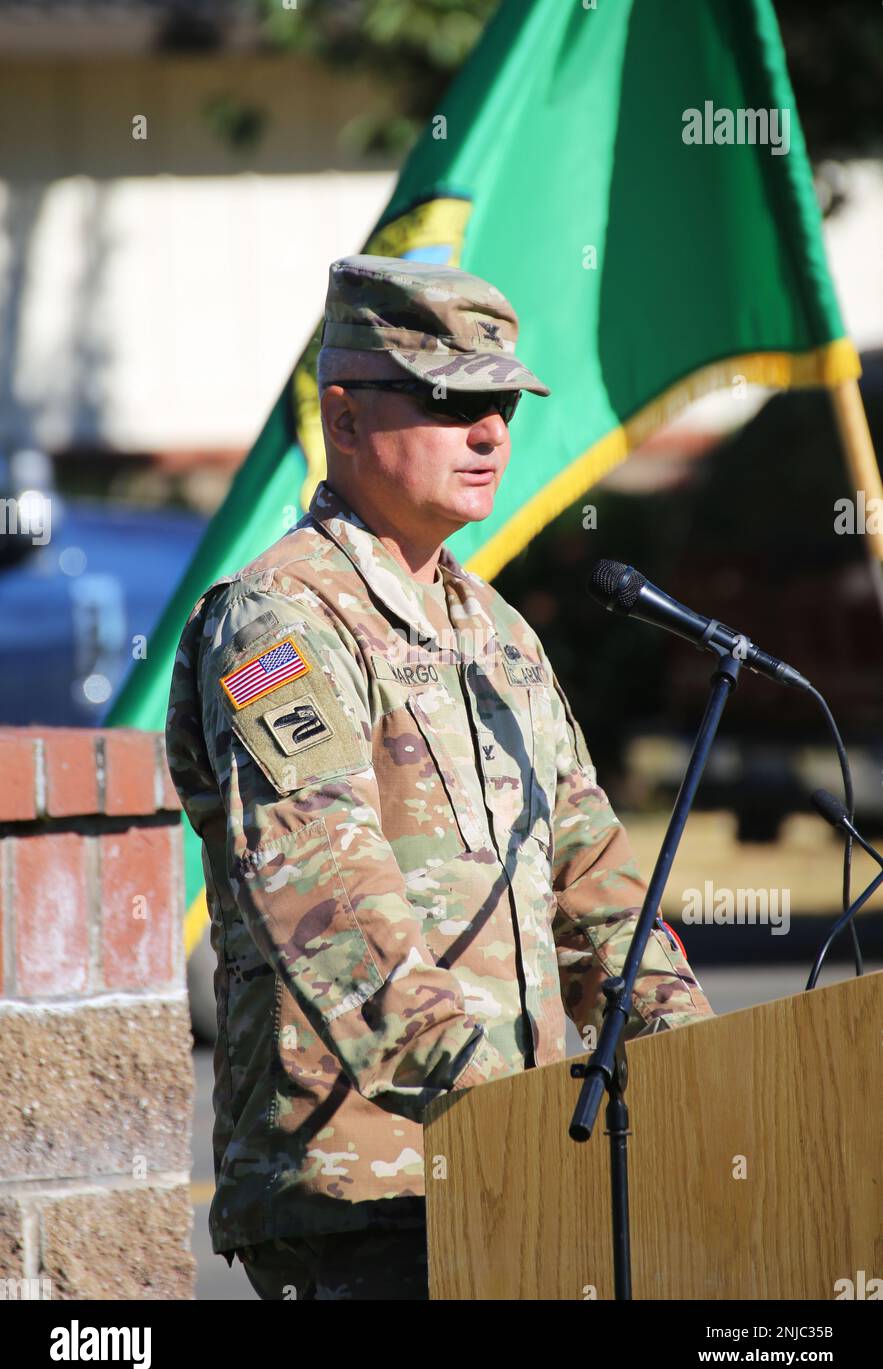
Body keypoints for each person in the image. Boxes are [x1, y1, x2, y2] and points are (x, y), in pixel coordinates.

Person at [165, 253, 715, 1300]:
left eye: (500, 403)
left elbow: (590, 874)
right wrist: (488, 1088)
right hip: (367, 1195)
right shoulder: (283, 619)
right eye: (450, 399)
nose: (490, 433)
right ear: (344, 413)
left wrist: (692, 1055)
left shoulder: (495, 629)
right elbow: (319, 894)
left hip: (522, 1176)